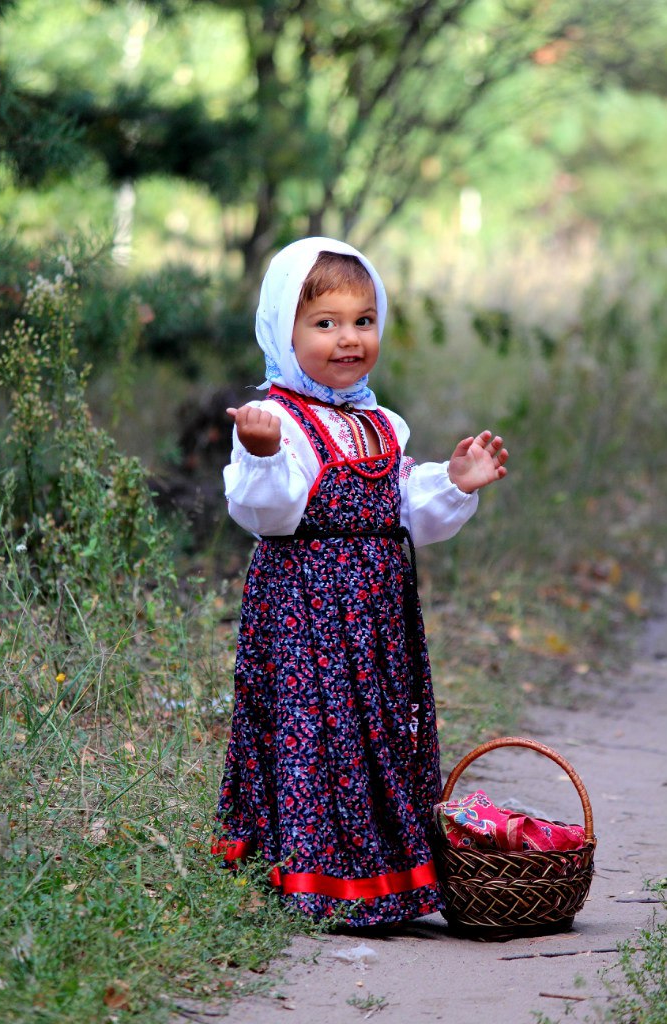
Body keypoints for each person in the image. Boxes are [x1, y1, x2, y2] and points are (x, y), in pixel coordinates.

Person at [213, 236, 508, 928]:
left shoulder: (383, 424)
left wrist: (453, 484)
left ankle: (384, 871)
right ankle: (315, 873)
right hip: (305, 609)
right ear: (283, 331)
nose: (348, 339)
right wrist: (260, 455)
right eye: (325, 324)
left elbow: (404, 508)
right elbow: (271, 514)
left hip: (376, 612)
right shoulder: (275, 419)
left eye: (363, 321)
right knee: (316, 730)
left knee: (377, 731)